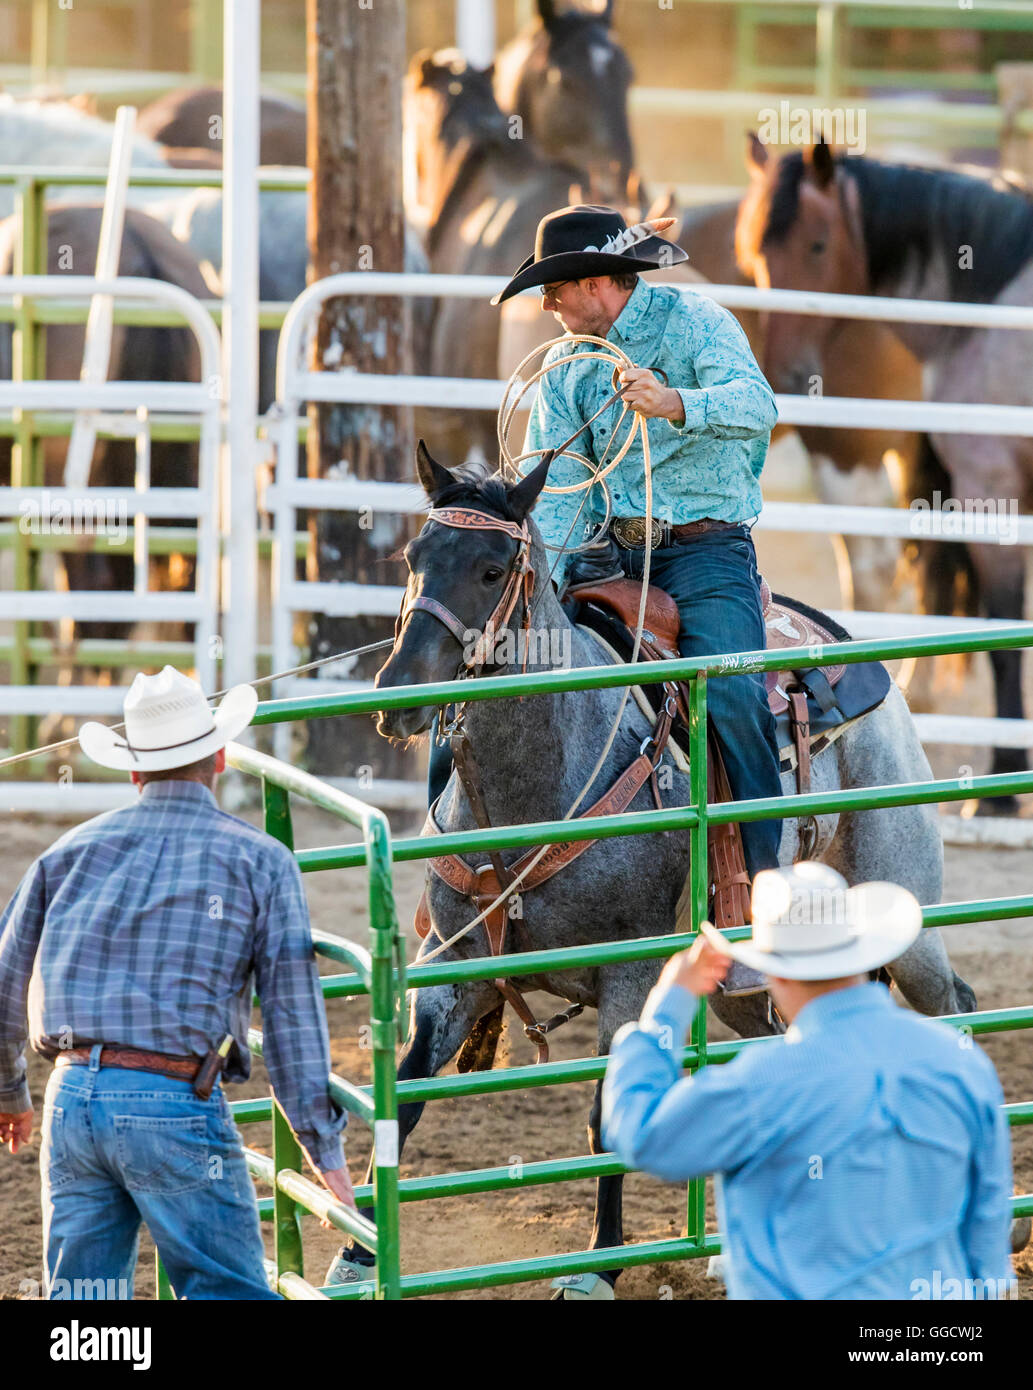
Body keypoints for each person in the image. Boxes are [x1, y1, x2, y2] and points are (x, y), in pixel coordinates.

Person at [427, 204, 781, 994]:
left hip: (703, 550)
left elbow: (757, 405)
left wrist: (677, 402)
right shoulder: (566, 365)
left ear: (594, 283)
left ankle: (762, 889)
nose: (546, 306)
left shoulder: (696, 325)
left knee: (727, 691)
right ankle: (449, 881)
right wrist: (534, 590)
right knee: (482, 672)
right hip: (604, 548)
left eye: (554, 290)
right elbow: (557, 493)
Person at [0, 666, 355, 1300]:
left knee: (84, 1307)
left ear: (133, 770)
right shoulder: (260, 860)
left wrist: (10, 1093)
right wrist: (320, 1144)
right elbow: (291, 1014)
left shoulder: (67, 853)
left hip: (72, 1093)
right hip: (171, 1099)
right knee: (228, 1291)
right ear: (219, 756)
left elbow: (5, 981)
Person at [602, 863, 1015, 1300]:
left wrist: (666, 1009)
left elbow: (641, 1133)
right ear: (861, 951)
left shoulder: (760, 1083)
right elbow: (987, 1246)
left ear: (773, 973)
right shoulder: (962, 1064)